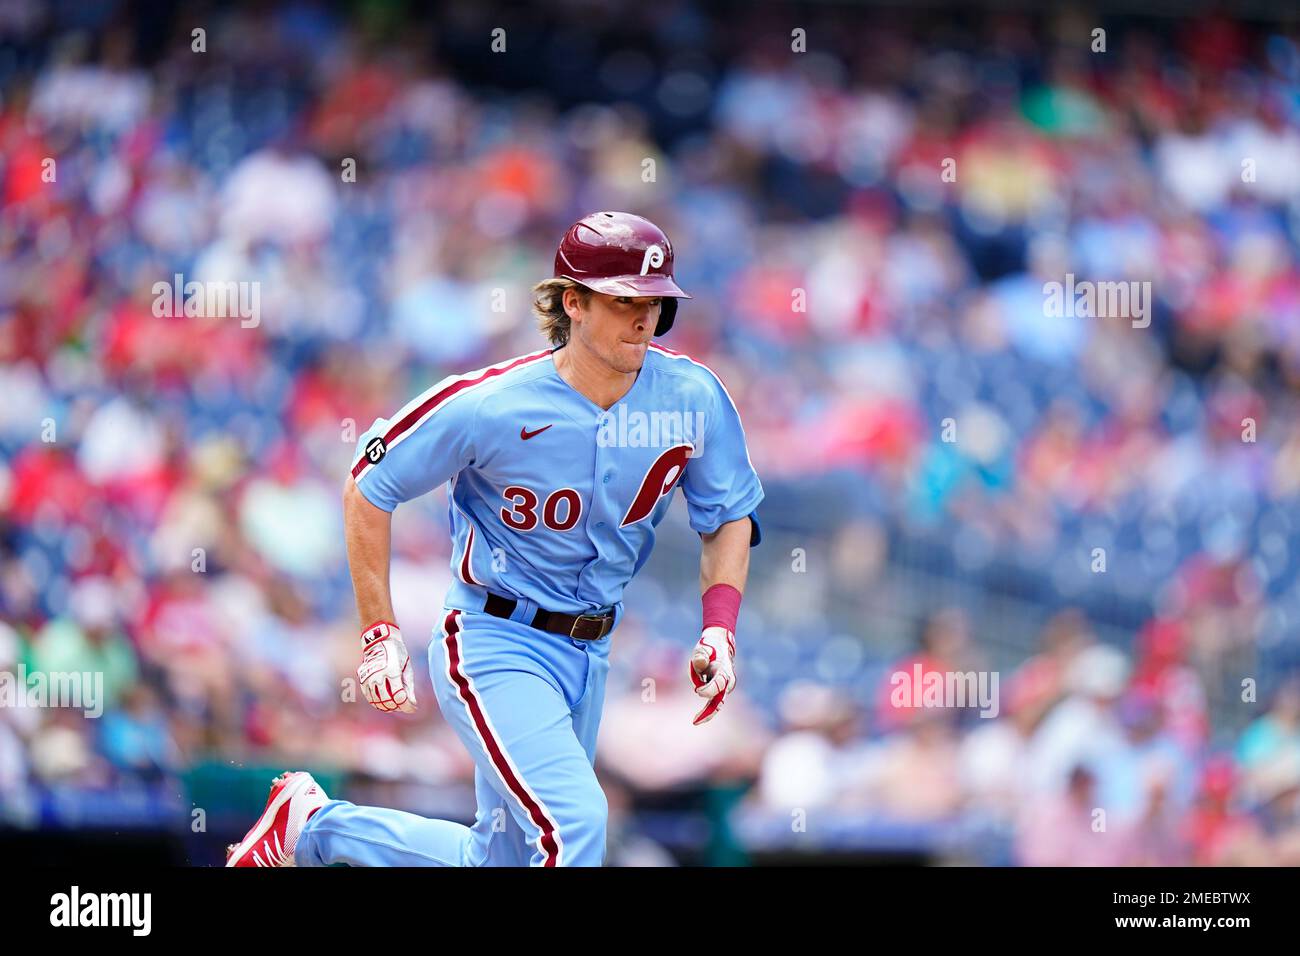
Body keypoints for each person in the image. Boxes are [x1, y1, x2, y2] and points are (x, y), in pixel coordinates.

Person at [224, 211, 764, 867]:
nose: (643, 318)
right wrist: (378, 633)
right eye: (624, 300)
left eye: (654, 302)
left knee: (500, 859)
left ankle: (311, 829)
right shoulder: (492, 403)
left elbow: (728, 514)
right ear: (574, 301)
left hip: (591, 651)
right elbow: (370, 483)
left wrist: (719, 628)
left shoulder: (692, 397)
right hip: (494, 637)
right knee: (577, 825)